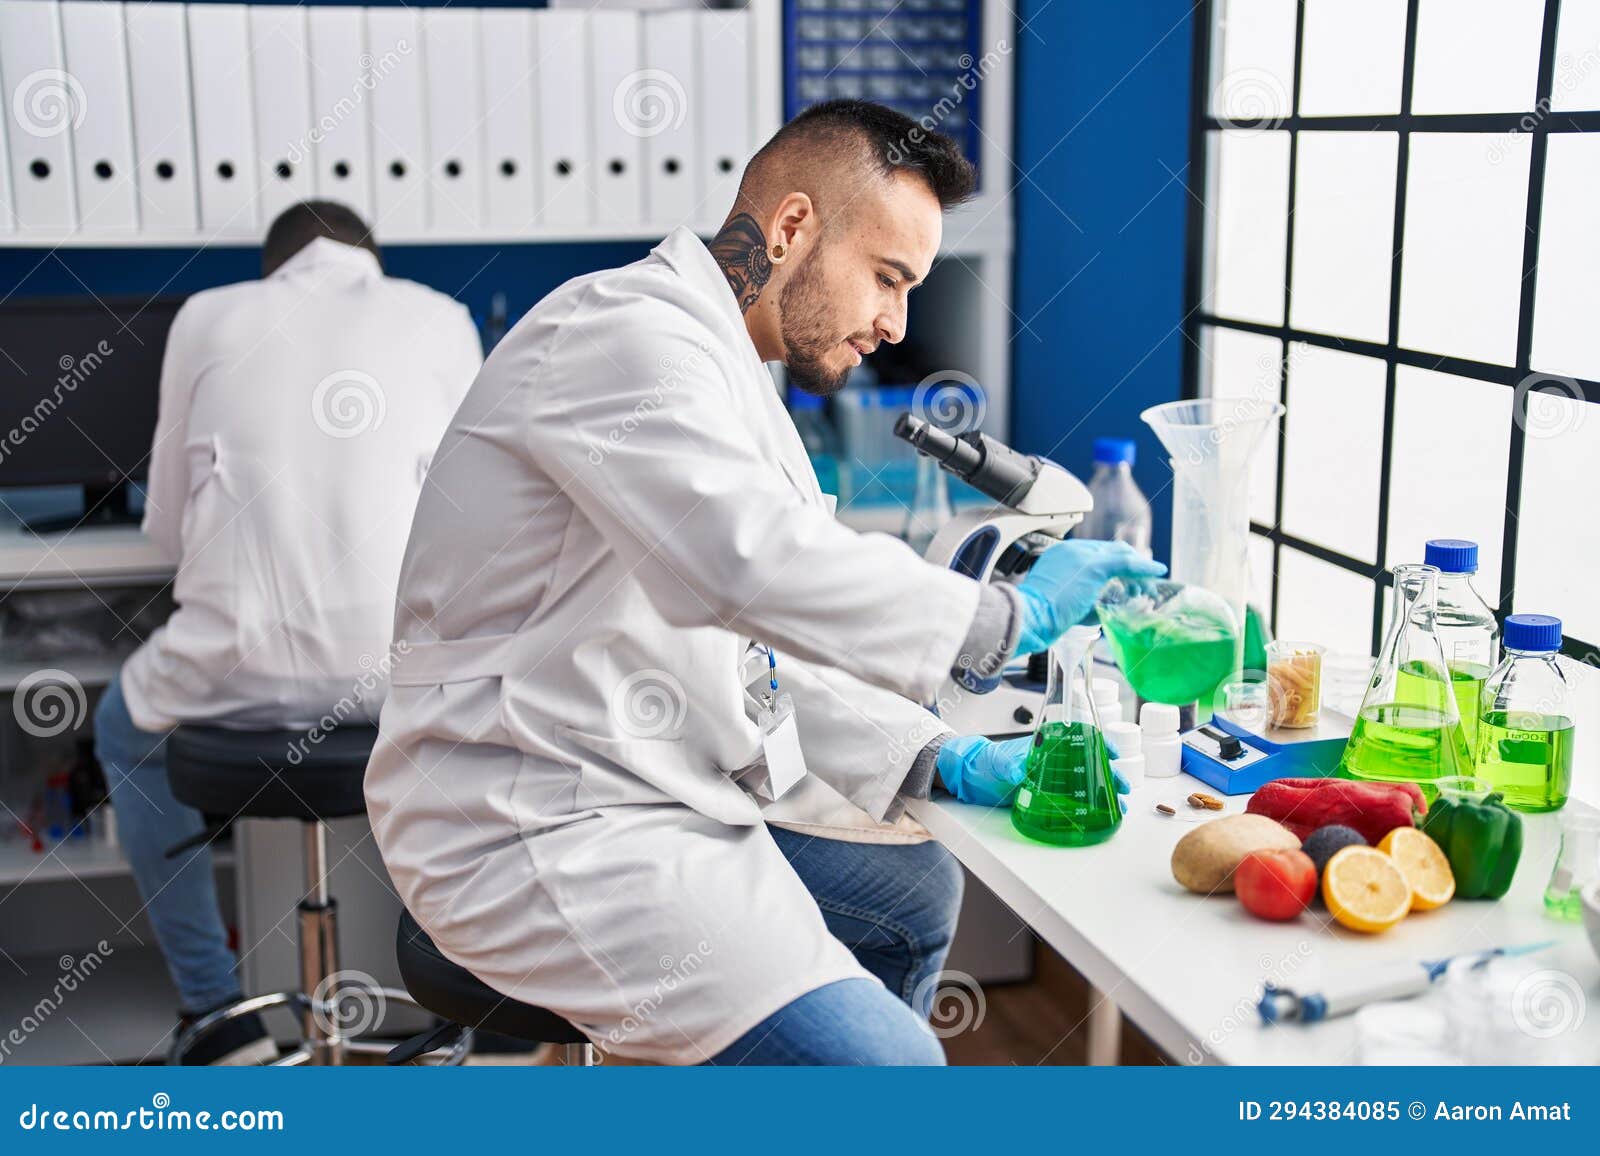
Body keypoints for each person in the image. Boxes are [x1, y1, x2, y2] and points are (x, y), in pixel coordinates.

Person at [365, 101, 1161, 1066]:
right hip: (533, 818)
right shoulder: (616, 335)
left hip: (652, 783)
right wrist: (1004, 615)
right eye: (887, 278)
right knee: (892, 1071)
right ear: (791, 228)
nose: (896, 322)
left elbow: (759, 653)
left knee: (914, 894)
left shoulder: (732, 376)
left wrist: (929, 755)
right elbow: (748, 564)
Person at [94, 201, 483, 1064]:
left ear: (275, 267)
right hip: (397, 679)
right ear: (370, 261)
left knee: (121, 731)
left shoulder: (206, 316)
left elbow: (165, 528)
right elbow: (476, 521)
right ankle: (450, 1006)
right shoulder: (443, 317)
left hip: (234, 672)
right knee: (464, 721)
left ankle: (219, 1016)